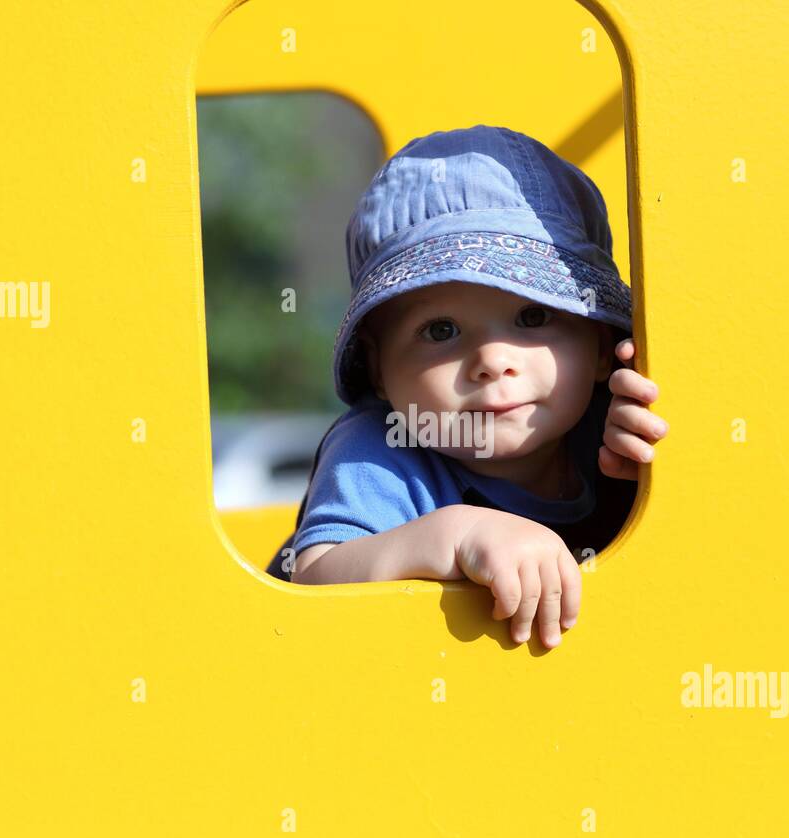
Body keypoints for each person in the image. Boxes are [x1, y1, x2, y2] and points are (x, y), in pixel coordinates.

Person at [265, 125, 667, 649]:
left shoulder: (606, 425)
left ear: (598, 344)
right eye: (441, 331)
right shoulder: (382, 448)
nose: (492, 361)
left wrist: (648, 462)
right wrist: (454, 533)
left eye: (534, 314)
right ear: (378, 368)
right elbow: (313, 579)